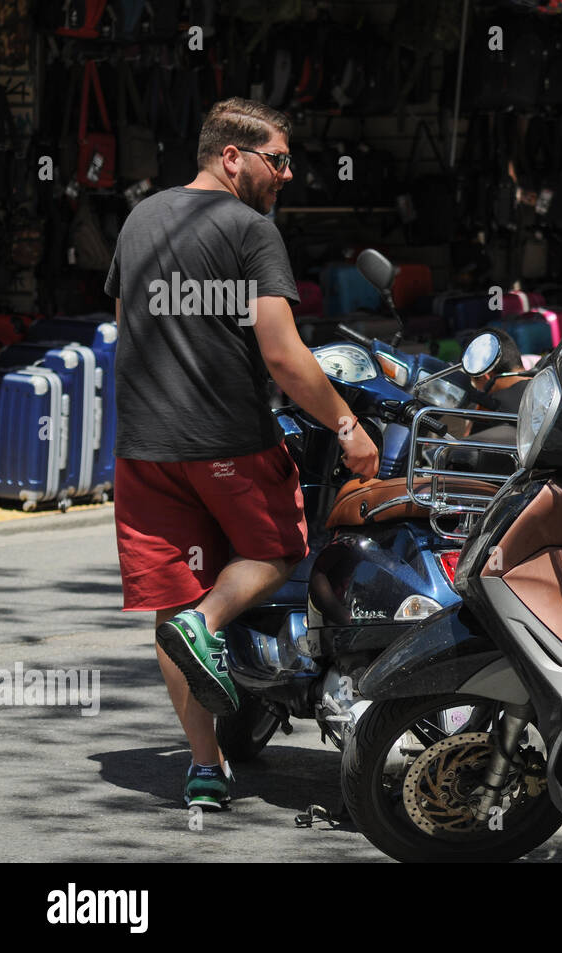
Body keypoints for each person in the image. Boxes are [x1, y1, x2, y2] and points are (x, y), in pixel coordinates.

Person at [105, 98, 379, 811]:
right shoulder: (248, 230)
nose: (287, 174)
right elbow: (285, 358)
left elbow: (124, 327)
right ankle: (213, 622)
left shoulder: (139, 220)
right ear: (233, 157)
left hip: (143, 448)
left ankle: (204, 766)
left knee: (173, 600)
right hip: (226, 440)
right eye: (278, 159)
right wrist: (348, 427)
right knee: (282, 548)